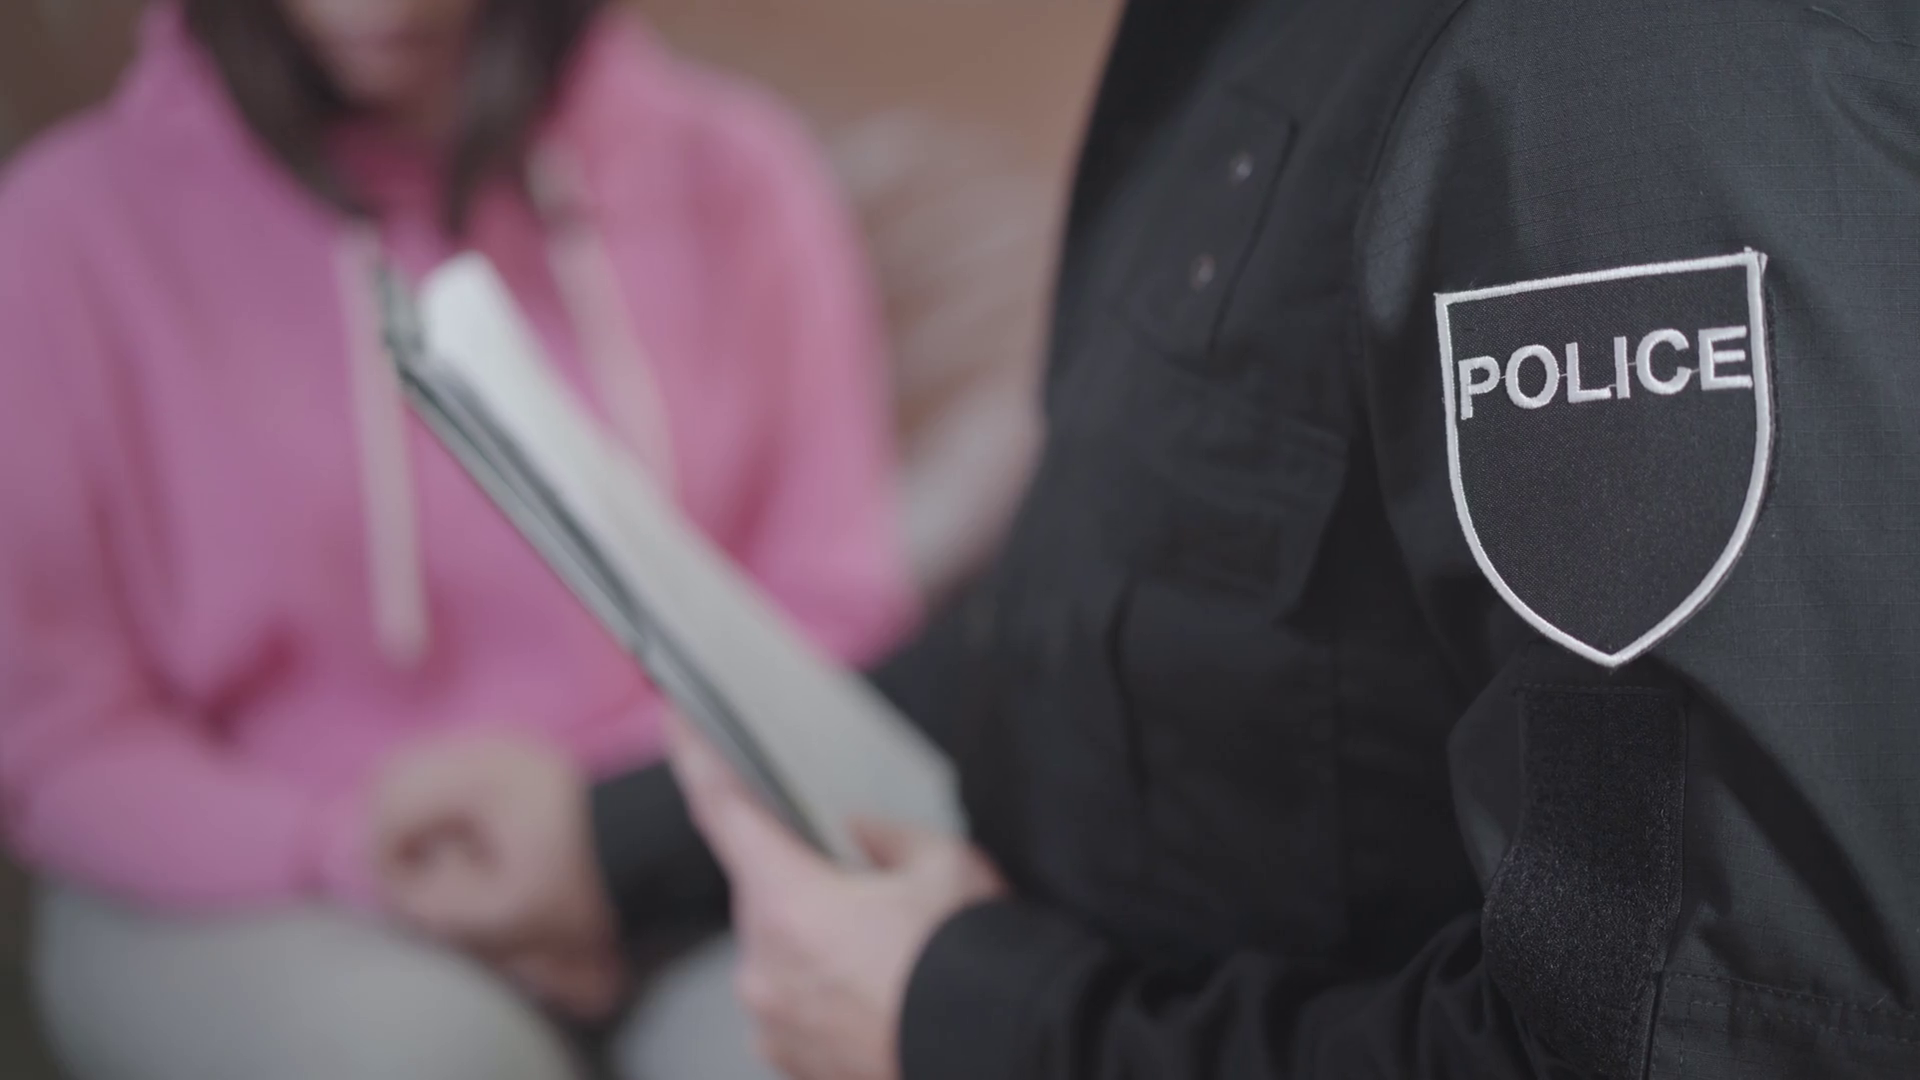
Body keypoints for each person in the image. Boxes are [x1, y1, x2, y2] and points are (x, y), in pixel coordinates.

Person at [376, 0, 1920, 1077]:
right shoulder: (1232, 34)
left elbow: (1712, 1042)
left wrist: (960, 1024)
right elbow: (1126, 613)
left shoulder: (1627, 86)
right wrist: (619, 844)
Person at [0, 0, 916, 1077]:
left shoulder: (739, 175)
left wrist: (605, 839)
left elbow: (834, 617)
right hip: (245, 875)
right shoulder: (64, 232)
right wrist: (341, 849)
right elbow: (50, 725)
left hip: (677, 847)